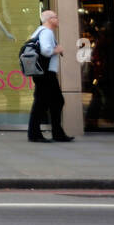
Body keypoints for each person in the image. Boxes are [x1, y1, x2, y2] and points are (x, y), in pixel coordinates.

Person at [27, 10, 73, 142]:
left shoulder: (39, 31)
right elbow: (46, 51)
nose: (58, 19)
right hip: (46, 73)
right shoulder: (46, 32)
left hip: (41, 72)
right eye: (55, 17)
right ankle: (38, 134)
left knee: (48, 102)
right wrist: (57, 50)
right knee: (54, 102)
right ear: (49, 20)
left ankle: (52, 133)